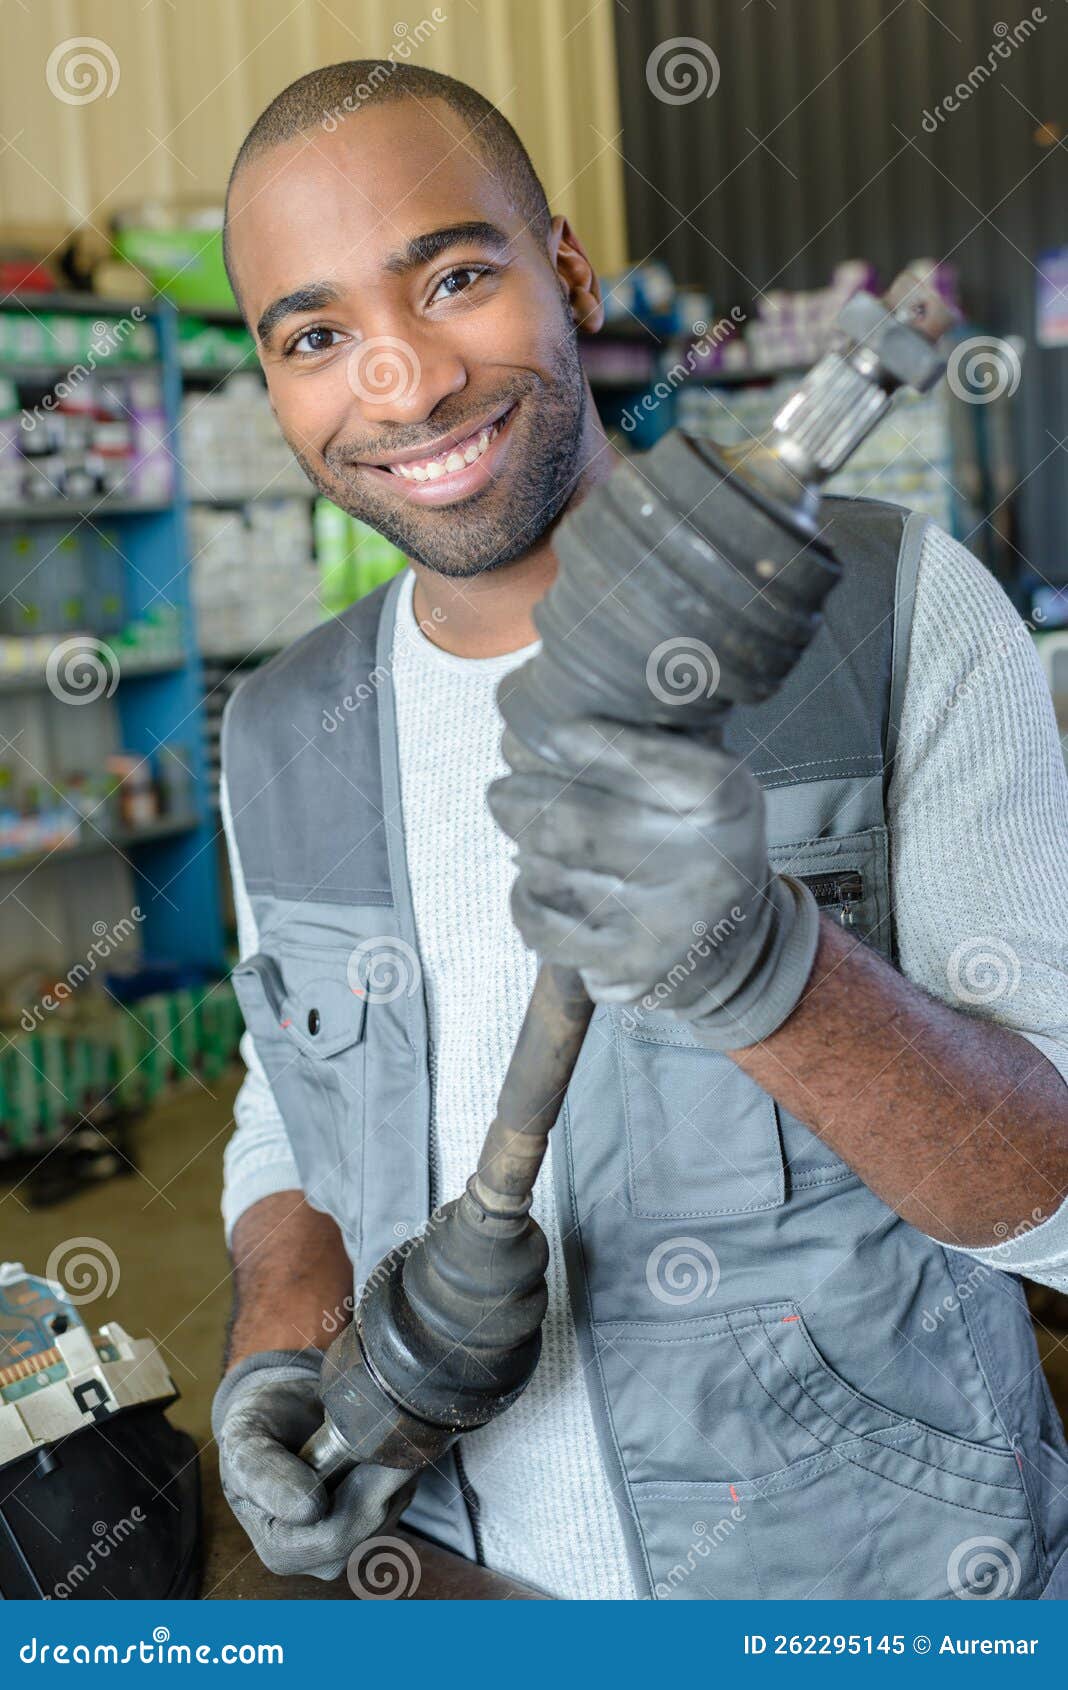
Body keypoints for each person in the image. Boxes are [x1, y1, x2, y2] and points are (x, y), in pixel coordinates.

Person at [212, 62, 1068, 1600]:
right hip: (458, 1590)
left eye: (454, 278)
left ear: (568, 272)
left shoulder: (889, 613)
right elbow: (287, 1105)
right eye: (315, 336)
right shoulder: (281, 732)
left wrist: (772, 976)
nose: (403, 383)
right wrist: (281, 1340)